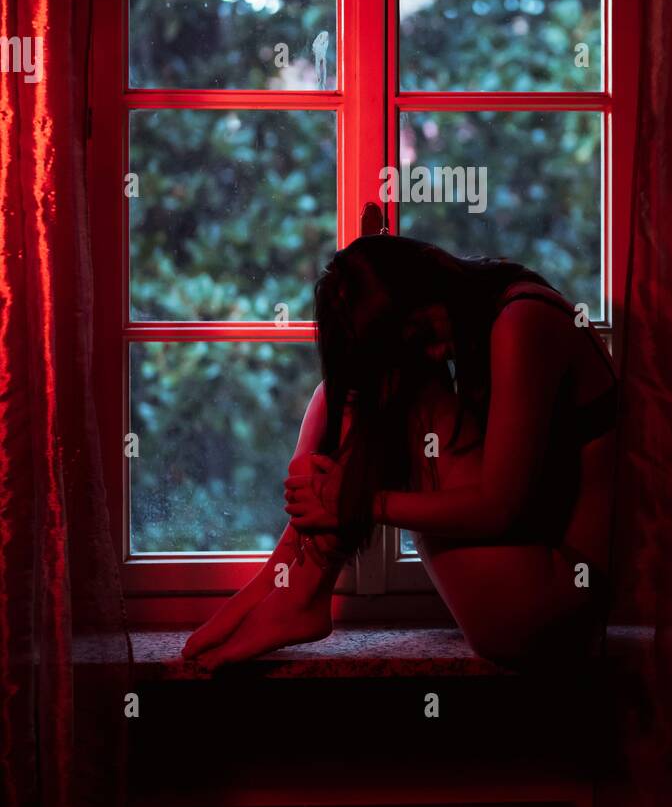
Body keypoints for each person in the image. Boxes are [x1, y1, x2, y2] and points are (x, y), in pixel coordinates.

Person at [182, 235, 618, 672]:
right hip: (521, 579)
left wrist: (358, 503)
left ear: (431, 278)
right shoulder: (484, 302)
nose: (432, 354)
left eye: (423, 335)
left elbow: (502, 508)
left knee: (377, 395)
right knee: (344, 390)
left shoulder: (521, 320)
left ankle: (301, 595)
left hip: (553, 606)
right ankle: (281, 583)